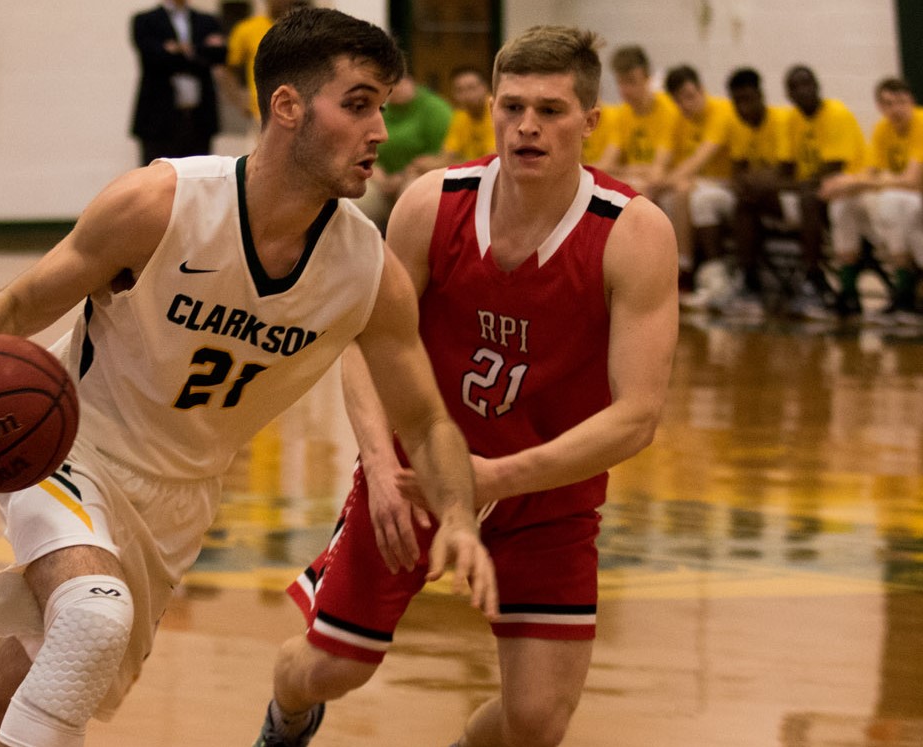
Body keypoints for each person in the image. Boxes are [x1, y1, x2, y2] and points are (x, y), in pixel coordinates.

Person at [0, 8, 494, 747]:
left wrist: (458, 516)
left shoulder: (366, 271)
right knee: (89, 618)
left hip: (178, 498)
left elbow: (427, 422)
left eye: (381, 108)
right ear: (287, 106)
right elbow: (20, 301)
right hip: (67, 441)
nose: (379, 132)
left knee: (5, 689)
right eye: (358, 104)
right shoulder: (161, 203)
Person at [255, 24, 678, 747]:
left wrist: (496, 477)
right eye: (510, 106)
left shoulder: (632, 233)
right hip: (416, 470)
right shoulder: (433, 203)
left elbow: (636, 416)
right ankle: (284, 718)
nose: (526, 126)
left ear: (590, 121)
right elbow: (361, 338)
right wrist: (379, 467)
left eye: (549, 110)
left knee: (536, 721)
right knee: (330, 667)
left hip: (547, 489)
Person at [817, 77, 923, 322]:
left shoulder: (920, 124)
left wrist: (858, 182)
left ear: (911, 101)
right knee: (844, 201)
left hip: (914, 204)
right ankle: (849, 292)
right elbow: (871, 172)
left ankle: (906, 295)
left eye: (901, 102)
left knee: (893, 201)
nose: (896, 109)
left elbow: (912, 182)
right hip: (902, 210)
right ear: (880, 107)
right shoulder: (881, 129)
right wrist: (845, 183)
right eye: (888, 104)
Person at [708, 67, 797, 317]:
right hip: (760, 200)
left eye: (748, 99)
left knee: (749, 199)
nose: (743, 107)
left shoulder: (780, 120)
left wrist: (752, 183)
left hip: (792, 199)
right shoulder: (739, 127)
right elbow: (737, 172)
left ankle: (749, 278)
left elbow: (785, 173)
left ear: (761, 95)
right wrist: (748, 184)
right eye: (737, 102)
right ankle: (748, 279)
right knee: (744, 204)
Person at [782, 64, 867, 317]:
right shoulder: (793, 120)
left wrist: (791, 184)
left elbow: (832, 171)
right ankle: (745, 278)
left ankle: (813, 276)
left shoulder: (836, 113)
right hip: (813, 192)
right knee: (751, 199)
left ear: (818, 86)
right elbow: (785, 169)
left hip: (848, 190)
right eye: (796, 87)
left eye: (807, 84)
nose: (803, 91)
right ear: (789, 94)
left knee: (809, 198)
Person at [660, 64, 739, 291]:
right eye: (679, 100)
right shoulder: (677, 119)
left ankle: (689, 269)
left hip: (727, 185)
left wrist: (662, 181)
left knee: (691, 195)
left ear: (702, 89)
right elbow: (662, 160)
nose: (685, 105)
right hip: (698, 183)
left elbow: (699, 160)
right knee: (662, 197)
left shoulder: (721, 112)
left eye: (690, 96)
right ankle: (666, 265)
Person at [130, 1, 228, 166]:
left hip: (198, 119)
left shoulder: (207, 20)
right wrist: (199, 50)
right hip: (158, 120)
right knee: (157, 178)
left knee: (199, 177)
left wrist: (178, 49)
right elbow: (153, 58)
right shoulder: (146, 20)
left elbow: (219, 55)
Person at [354, 73, 455, 231]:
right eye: (390, 86)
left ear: (412, 82)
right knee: (357, 203)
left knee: (411, 196)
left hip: (419, 175)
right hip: (381, 178)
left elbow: (445, 156)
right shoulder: (378, 109)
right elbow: (361, 146)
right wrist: (375, 170)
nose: (396, 89)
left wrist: (404, 175)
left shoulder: (436, 108)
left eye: (400, 83)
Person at [593, 44, 680, 197]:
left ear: (648, 78)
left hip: (670, 181)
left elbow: (657, 173)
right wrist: (633, 170)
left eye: (631, 82)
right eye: (621, 82)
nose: (625, 90)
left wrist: (624, 170)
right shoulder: (622, 113)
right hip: (640, 179)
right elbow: (606, 164)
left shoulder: (668, 111)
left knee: (640, 189)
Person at [220, 0, 301, 144]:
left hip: (297, 113)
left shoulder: (302, 29)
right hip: (261, 114)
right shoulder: (247, 28)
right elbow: (229, 69)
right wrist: (239, 100)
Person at [439, 64, 497, 164]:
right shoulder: (460, 115)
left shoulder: (498, 111)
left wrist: (455, 162)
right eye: (460, 90)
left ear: (485, 87)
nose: (467, 95)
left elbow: (492, 160)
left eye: (472, 88)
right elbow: (446, 156)